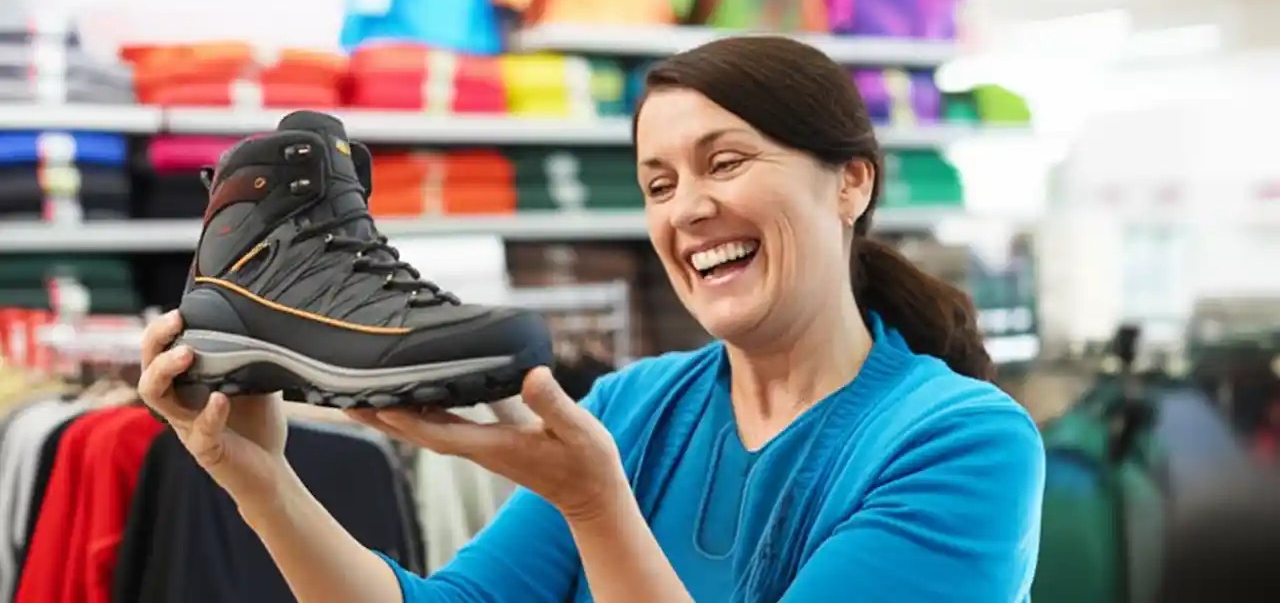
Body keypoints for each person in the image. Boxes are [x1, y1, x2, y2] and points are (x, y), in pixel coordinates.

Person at [137, 35, 1045, 602]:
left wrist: (596, 505)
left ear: (852, 181)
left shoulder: (963, 445)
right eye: (659, 183)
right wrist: (256, 480)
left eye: (724, 162)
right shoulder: (633, 407)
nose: (686, 209)